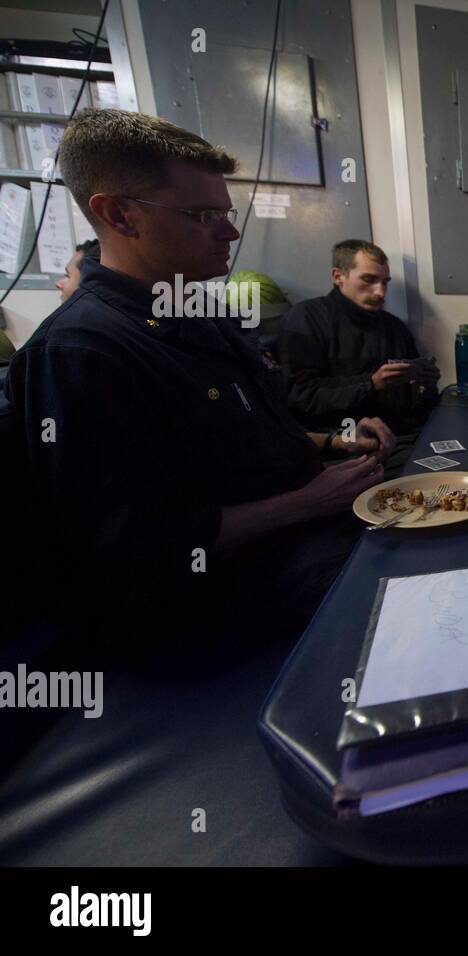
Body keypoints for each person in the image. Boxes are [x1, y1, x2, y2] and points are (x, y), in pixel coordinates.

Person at [6, 109, 395, 653]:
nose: (230, 232)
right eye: (203, 214)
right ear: (119, 214)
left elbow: (235, 436)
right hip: (212, 598)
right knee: (418, 595)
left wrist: (333, 445)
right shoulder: (81, 352)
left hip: (303, 535)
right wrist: (307, 502)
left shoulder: (200, 312)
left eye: (226, 213)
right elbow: (137, 543)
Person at [278, 240, 440, 441]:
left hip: (402, 438)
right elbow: (300, 396)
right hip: (341, 444)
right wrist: (371, 383)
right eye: (368, 279)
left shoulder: (394, 327)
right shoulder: (306, 318)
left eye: (385, 282)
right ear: (338, 276)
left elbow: (413, 407)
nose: (380, 292)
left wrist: (425, 387)